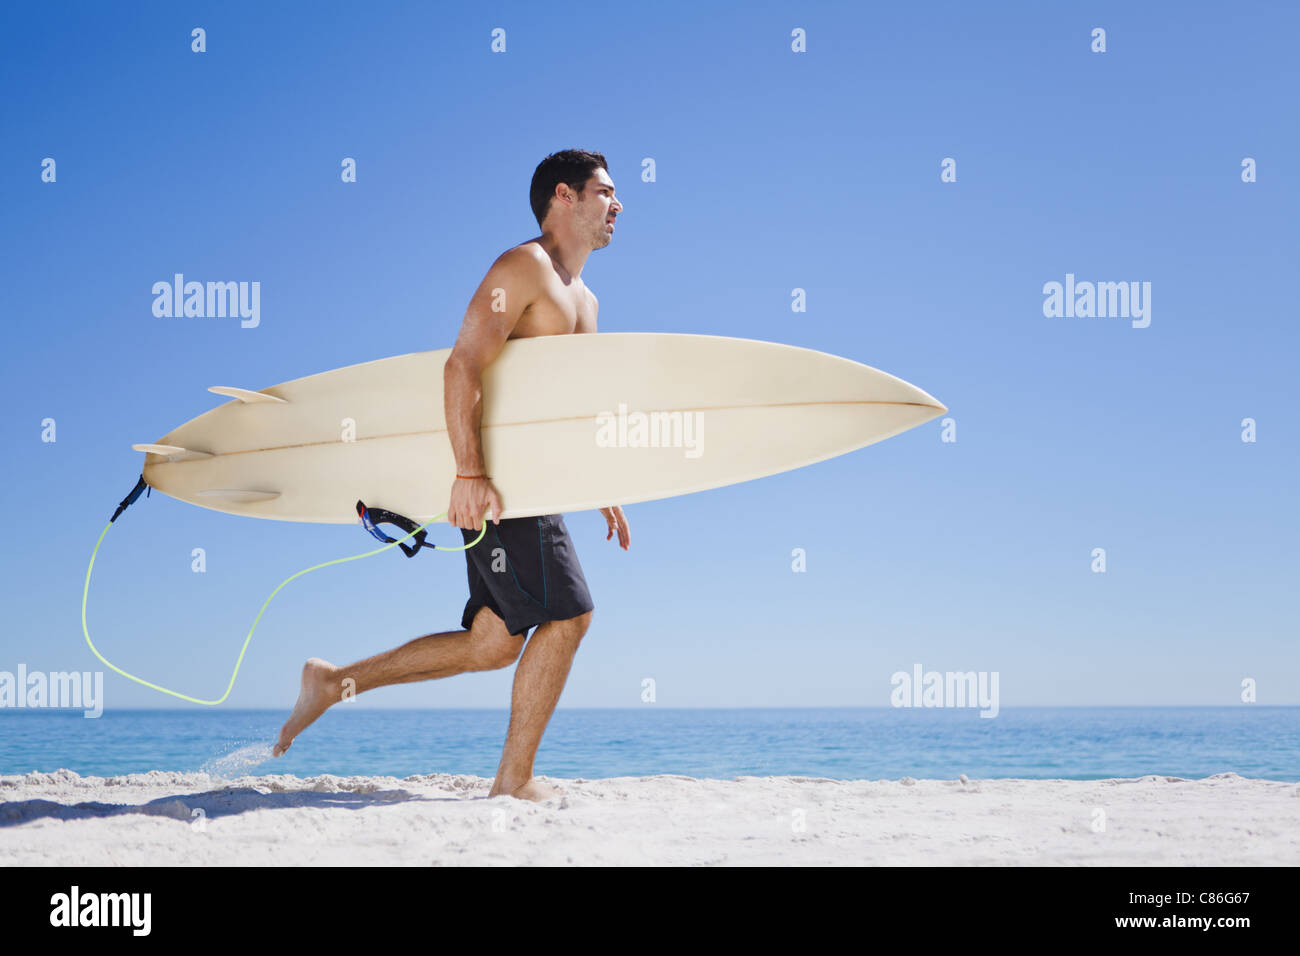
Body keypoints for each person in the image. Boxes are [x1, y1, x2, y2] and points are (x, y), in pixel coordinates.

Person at [272, 149, 628, 801]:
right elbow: (462, 364)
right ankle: (513, 783)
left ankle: (332, 682)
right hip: (494, 483)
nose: (619, 204)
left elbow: (562, 407)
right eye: (605, 191)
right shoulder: (523, 267)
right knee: (570, 618)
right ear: (564, 197)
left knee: (491, 644)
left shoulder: (588, 300)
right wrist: (468, 472)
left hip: (535, 485)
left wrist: (595, 483)